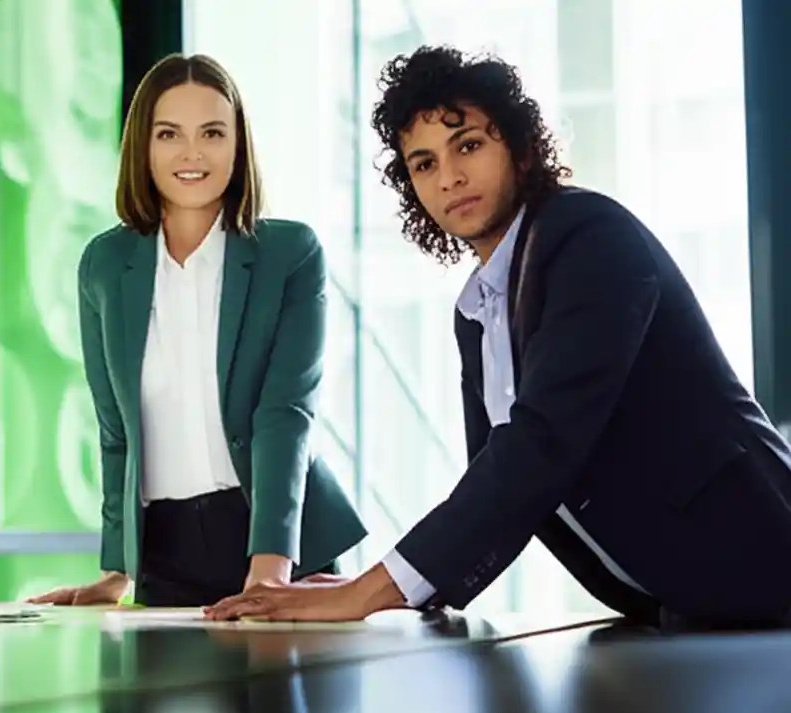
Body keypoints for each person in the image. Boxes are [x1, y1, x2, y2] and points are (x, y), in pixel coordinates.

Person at [206, 45, 791, 629]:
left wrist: (370, 590)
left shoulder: (590, 238)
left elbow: (541, 441)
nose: (450, 177)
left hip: (765, 572)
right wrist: (387, 587)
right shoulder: (479, 309)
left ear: (522, 145)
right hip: (678, 610)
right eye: (423, 164)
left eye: (468, 145)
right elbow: (495, 478)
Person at [29, 54, 366, 609]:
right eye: (169, 134)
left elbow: (285, 415)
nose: (192, 153)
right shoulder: (104, 264)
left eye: (212, 132)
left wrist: (271, 570)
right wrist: (117, 569)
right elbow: (115, 431)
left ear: (239, 144)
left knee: (279, 696)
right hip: (166, 557)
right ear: (143, 146)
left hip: (278, 546)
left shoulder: (290, 254)